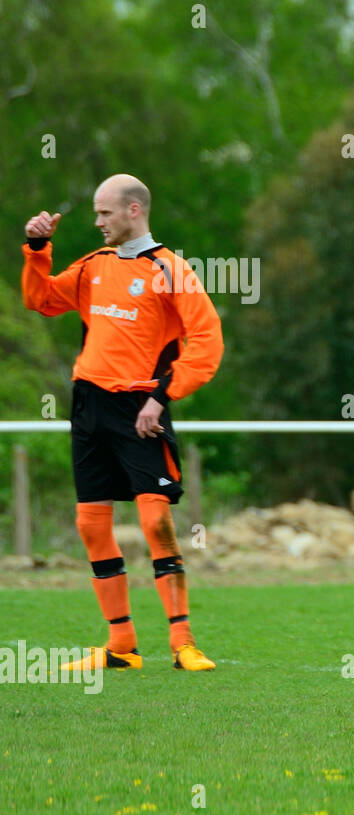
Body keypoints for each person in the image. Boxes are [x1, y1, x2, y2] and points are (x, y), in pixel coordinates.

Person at [22, 174, 224, 672]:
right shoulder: (93, 266)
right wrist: (37, 248)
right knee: (91, 525)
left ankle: (183, 644)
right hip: (89, 406)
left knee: (155, 520)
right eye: (95, 212)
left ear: (134, 210)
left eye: (104, 212)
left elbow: (207, 344)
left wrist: (163, 395)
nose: (96, 222)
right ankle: (121, 648)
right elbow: (42, 300)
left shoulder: (170, 270)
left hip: (141, 410)